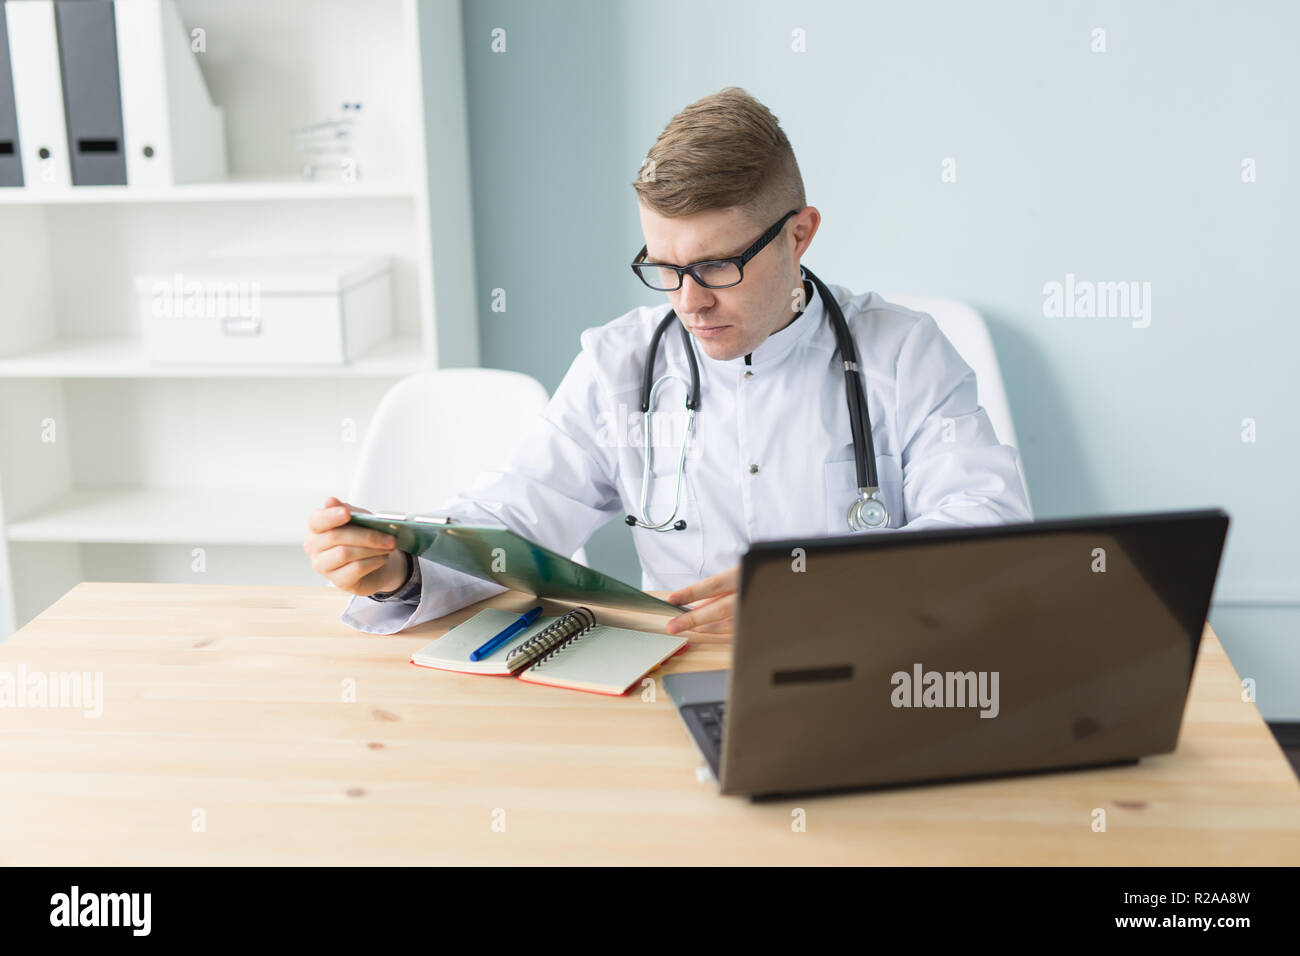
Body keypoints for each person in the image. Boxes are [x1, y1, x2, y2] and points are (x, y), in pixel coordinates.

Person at [303, 87, 1031, 638]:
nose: (689, 303)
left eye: (717, 266)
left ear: (799, 235)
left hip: (867, 665)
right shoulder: (619, 363)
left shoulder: (903, 352)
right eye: (664, 268)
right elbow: (515, 524)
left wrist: (804, 593)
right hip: (676, 670)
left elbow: (989, 528)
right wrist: (400, 569)